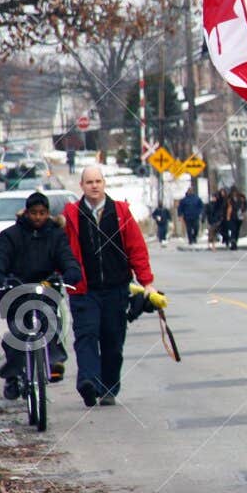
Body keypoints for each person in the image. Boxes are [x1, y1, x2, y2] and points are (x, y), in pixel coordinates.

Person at [62, 165, 155, 406]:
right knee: (86, 335)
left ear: (104, 184)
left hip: (116, 288)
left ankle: (109, 387)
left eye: (98, 181)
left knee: (113, 339)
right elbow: (61, 251)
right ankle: (88, 382)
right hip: (84, 289)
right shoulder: (72, 215)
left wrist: (147, 283)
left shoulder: (121, 212)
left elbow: (137, 249)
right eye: (89, 182)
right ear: (81, 186)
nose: (94, 185)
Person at [0, 191, 81, 398]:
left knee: (51, 321)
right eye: (34, 213)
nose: (38, 217)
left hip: (45, 289)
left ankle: (54, 361)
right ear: (26, 213)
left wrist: (71, 272)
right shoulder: (10, 235)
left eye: (42, 213)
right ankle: (13, 375)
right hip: (15, 290)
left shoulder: (56, 236)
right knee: (13, 331)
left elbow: (66, 258)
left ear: (48, 213)